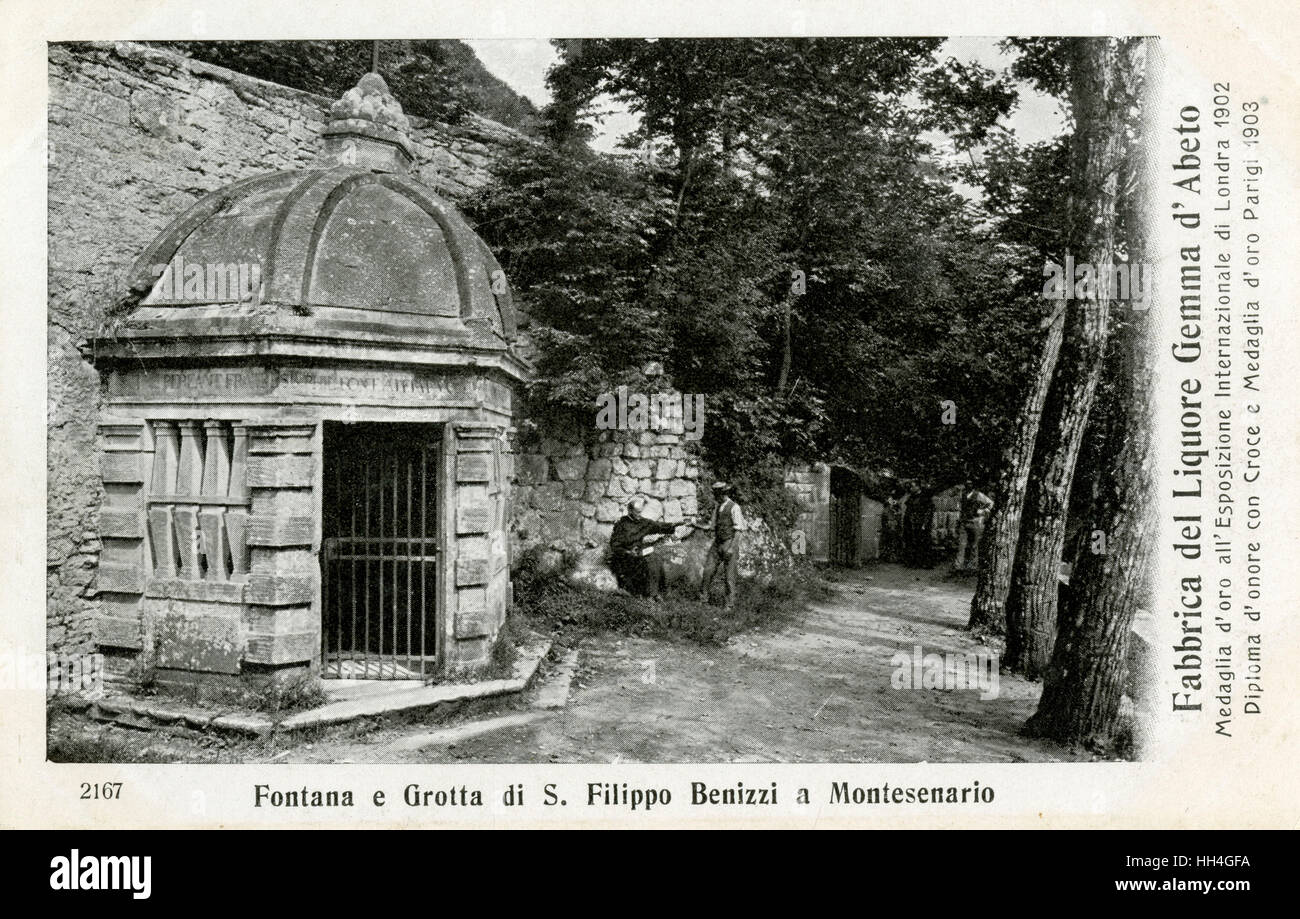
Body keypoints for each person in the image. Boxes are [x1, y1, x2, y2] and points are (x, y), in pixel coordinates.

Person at [609, 496, 688, 598]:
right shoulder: (621, 524)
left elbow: (658, 526)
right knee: (647, 563)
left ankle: (659, 592)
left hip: (638, 553)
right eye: (637, 512)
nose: (639, 515)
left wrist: (675, 524)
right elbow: (614, 545)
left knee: (656, 559)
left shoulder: (643, 522)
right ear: (630, 511)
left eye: (640, 512)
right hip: (624, 557)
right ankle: (650, 595)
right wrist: (627, 552)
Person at [694, 482, 745, 609]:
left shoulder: (734, 507)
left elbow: (739, 530)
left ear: (724, 494)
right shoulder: (717, 507)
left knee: (729, 576)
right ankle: (703, 600)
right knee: (708, 571)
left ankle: (729, 604)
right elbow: (711, 527)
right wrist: (696, 525)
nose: (715, 497)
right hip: (717, 543)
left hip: (729, 542)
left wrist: (732, 548)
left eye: (717, 494)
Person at [954, 481, 994, 572]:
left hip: (975, 522)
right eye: (967, 484)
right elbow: (959, 507)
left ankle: (972, 567)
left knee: (974, 545)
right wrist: (958, 518)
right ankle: (958, 566)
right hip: (964, 522)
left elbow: (990, 503)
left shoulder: (978, 495)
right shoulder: (962, 494)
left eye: (970, 484)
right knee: (961, 545)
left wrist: (982, 510)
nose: (968, 486)